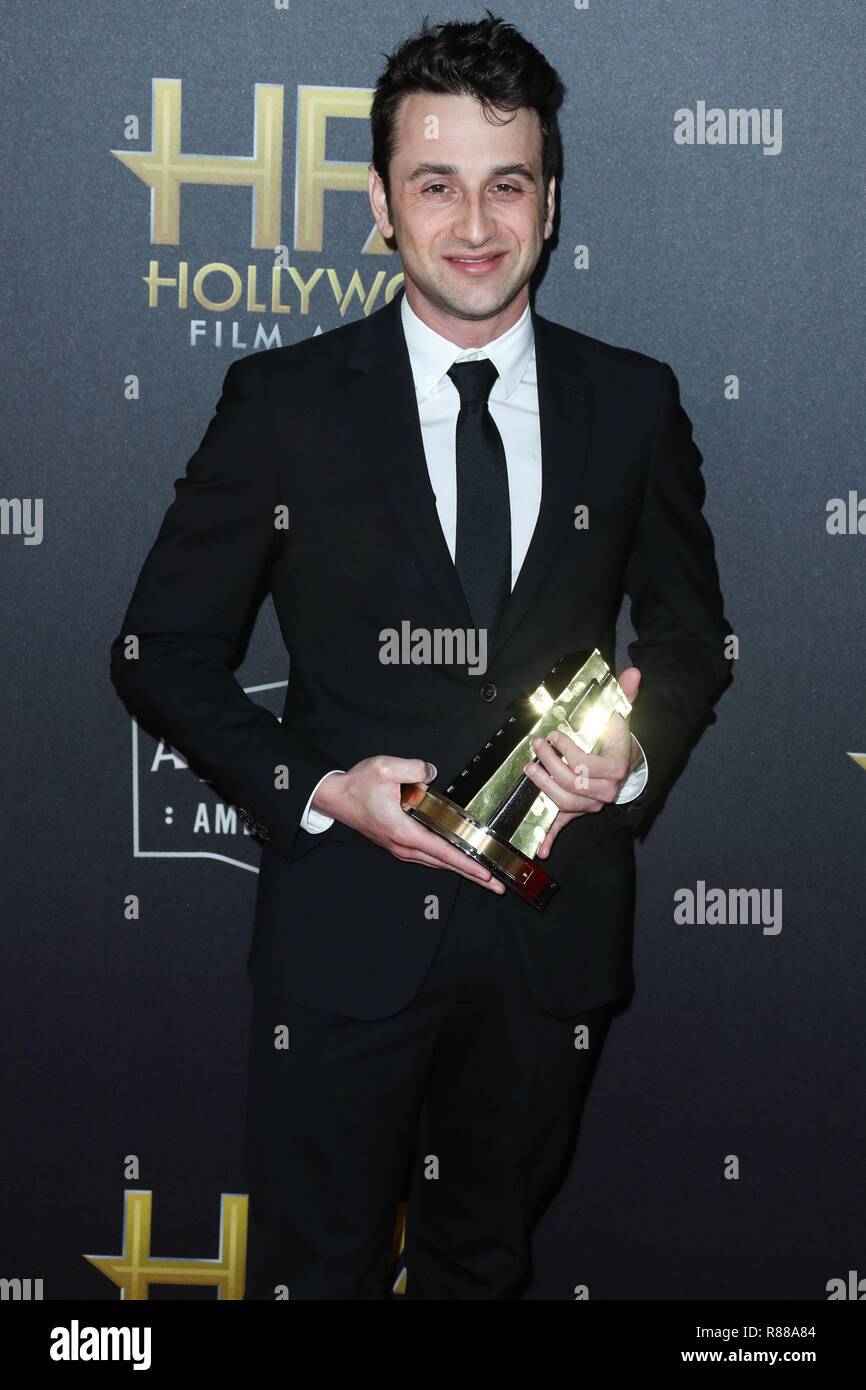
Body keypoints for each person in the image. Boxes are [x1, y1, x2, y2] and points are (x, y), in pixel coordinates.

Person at [110, 13, 732, 1299]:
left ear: (549, 202)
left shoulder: (632, 402)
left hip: (542, 948)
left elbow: (686, 639)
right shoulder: (280, 404)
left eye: (506, 184)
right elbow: (159, 650)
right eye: (433, 184)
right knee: (316, 1270)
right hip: (344, 945)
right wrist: (319, 790)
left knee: (482, 1267)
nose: (474, 222)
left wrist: (620, 765)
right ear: (383, 205)